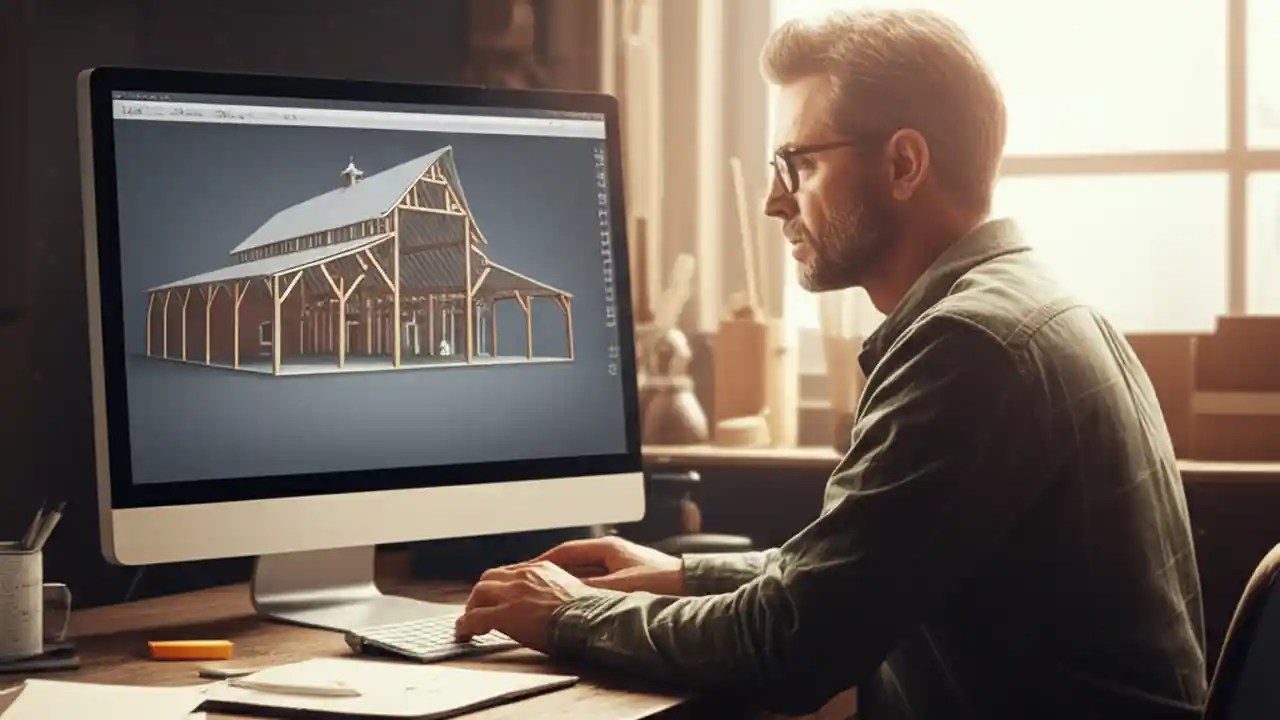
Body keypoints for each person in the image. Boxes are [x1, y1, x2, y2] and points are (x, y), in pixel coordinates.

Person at [455, 8, 1207, 718]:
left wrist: (571, 613)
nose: (773, 202)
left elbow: (794, 643)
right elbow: (859, 575)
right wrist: (679, 573)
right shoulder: (1039, 306)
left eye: (798, 163)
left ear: (904, 162)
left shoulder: (969, 348)